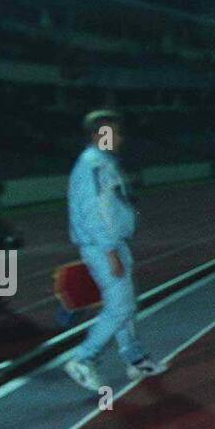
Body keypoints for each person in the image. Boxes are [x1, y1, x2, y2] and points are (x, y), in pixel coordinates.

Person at [63, 110, 165, 391]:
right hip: (103, 246)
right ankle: (83, 358)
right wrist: (109, 251)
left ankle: (135, 358)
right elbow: (96, 212)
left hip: (112, 243)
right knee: (120, 307)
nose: (119, 138)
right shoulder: (93, 165)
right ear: (99, 134)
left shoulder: (103, 163)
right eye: (114, 132)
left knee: (126, 305)